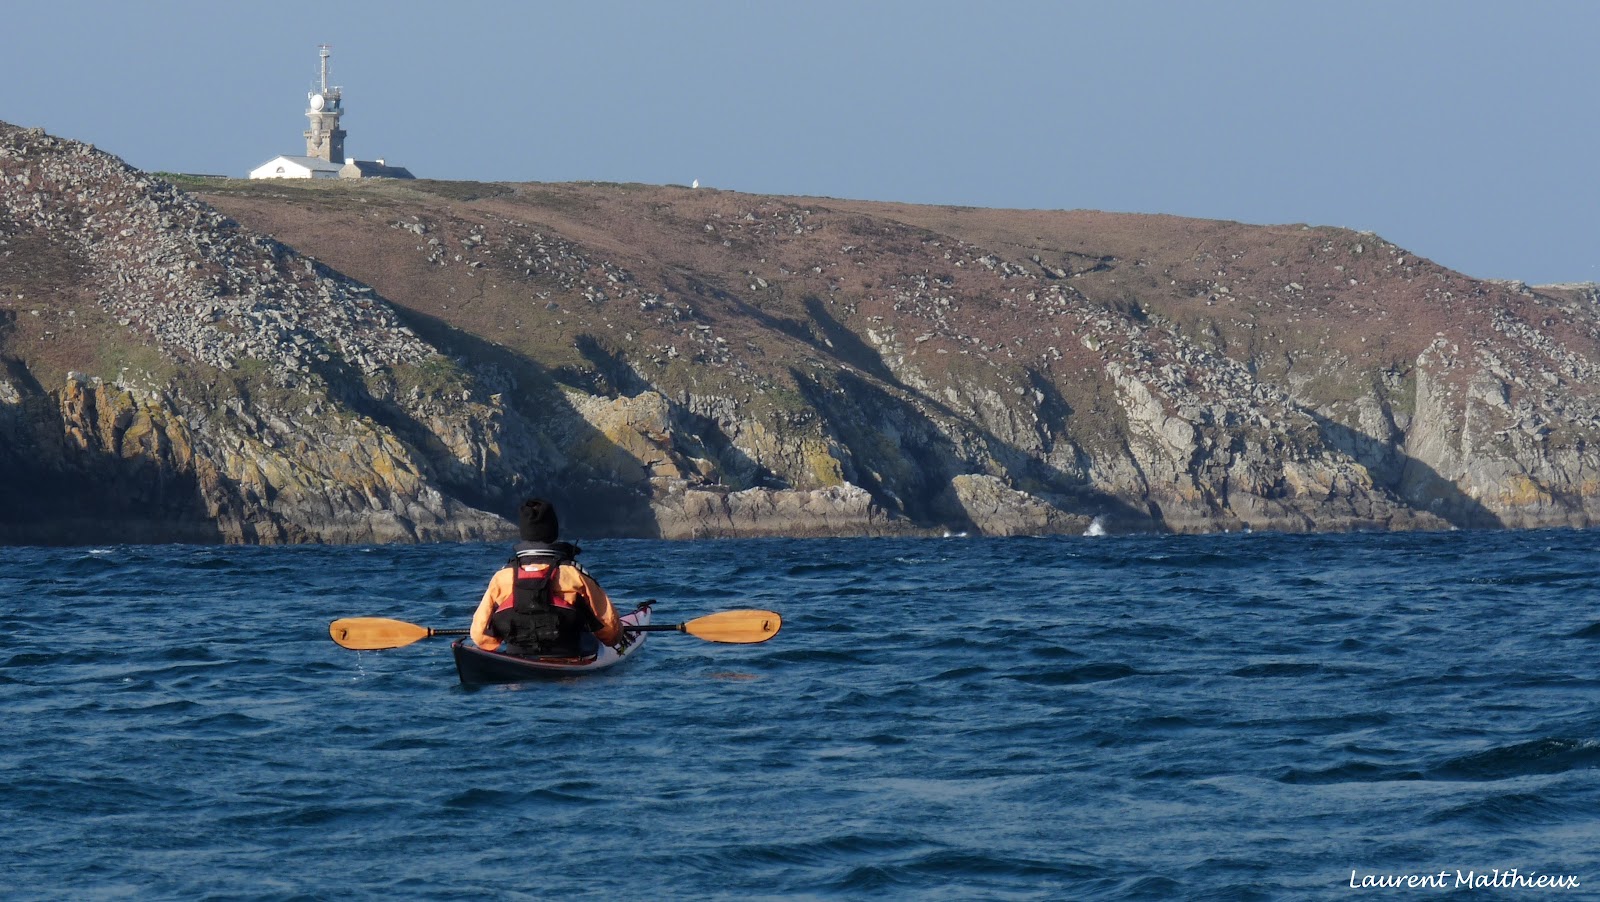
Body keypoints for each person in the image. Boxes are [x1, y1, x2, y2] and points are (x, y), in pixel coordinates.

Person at [470, 498, 627, 657]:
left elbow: (480, 637)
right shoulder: (574, 574)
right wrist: (614, 638)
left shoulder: (501, 577)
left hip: (517, 658)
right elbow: (611, 632)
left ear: (523, 533)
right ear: (553, 533)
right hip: (569, 659)